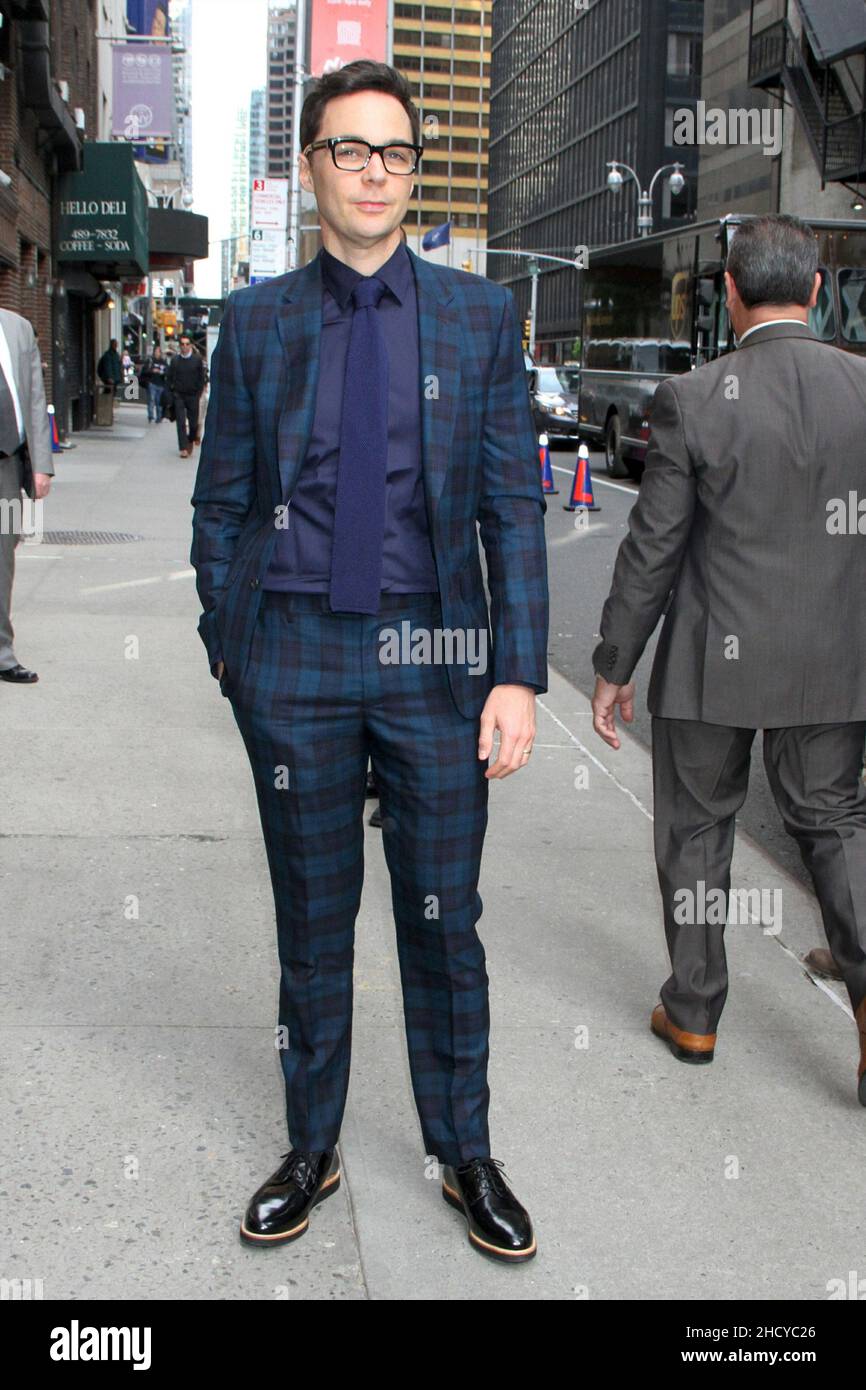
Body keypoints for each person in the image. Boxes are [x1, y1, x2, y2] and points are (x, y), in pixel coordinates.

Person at [190, 60, 549, 1261]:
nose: (375, 174)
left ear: (412, 171)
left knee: (444, 922)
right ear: (311, 170)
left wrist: (515, 671)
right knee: (311, 918)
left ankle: (463, 1151)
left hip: (436, 659)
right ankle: (313, 1146)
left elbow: (512, 507)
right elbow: (220, 505)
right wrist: (231, 651)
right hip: (291, 653)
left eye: (395, 154)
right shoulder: (254, 322)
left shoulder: (477, 319)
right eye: (351, 151)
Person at [590, 214, 866, 1107]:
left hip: (714, 662)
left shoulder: (697, 398)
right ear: (819, 292)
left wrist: (614, 661)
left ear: (734, 294)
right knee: (834, 825)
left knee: (697, 831)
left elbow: (653, 549)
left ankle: (696, 1010)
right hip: (833, 659)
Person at [0, 306, 53, 683]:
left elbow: (35, 400)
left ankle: (1, 653)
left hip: (6, 463)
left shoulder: (17, 328)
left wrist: (41, 464)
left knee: (3, 555)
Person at [166, 333, 205, 458]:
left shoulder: (197, 360)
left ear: (191, 346)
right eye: (182, 344)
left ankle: (191, 438)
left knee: (193, 423)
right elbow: (169, 378)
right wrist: (171, 393)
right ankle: (183, 447)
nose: (184, 346)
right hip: (179, 395)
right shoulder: (175, 361)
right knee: (181, 422)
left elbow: (201, 378)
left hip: (193, 395)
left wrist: (198, 392)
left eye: (187, 344)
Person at [141, 344, 168, 422]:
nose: (157, 353)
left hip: (160, 383)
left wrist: (162, 372)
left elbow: (168, 371)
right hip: (152, 383)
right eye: (156, 351)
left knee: (159, 401)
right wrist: (152, 371)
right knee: (151, 400)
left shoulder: (163, 362)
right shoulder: (150, 361)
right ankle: (150, 416)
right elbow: (145, 371)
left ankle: (159, 417)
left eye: (159, 351)